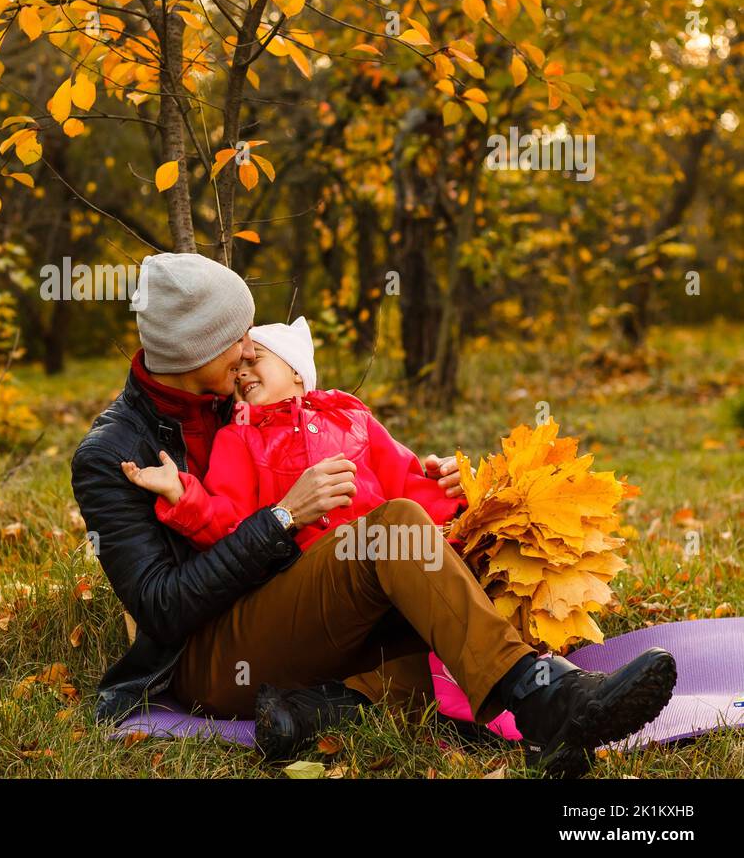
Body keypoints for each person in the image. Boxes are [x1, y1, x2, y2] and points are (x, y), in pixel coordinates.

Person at [70, 252, 676, 776]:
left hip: (302, 613)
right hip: (210, 658)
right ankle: (542, 699)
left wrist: (445, 483)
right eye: (238, 337)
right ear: (195, 347)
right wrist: (283, 517)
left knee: (435, 570)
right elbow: (163, 608)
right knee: (393, 534)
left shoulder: (241, 394)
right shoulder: (112, 455)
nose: (251, 347)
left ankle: (341, 710)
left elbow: (361, 465)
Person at [119, 315, 465, 555]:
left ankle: (448, 655)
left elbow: (405, 484)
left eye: (256, 361)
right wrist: (182, 494)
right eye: (237, 369)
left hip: (389, 554)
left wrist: (458, 497)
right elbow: (229, 520)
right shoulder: (239, 437)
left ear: (298, 371)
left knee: (430, 539)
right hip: (311, 569)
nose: (242, 374)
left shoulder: (352, 419)